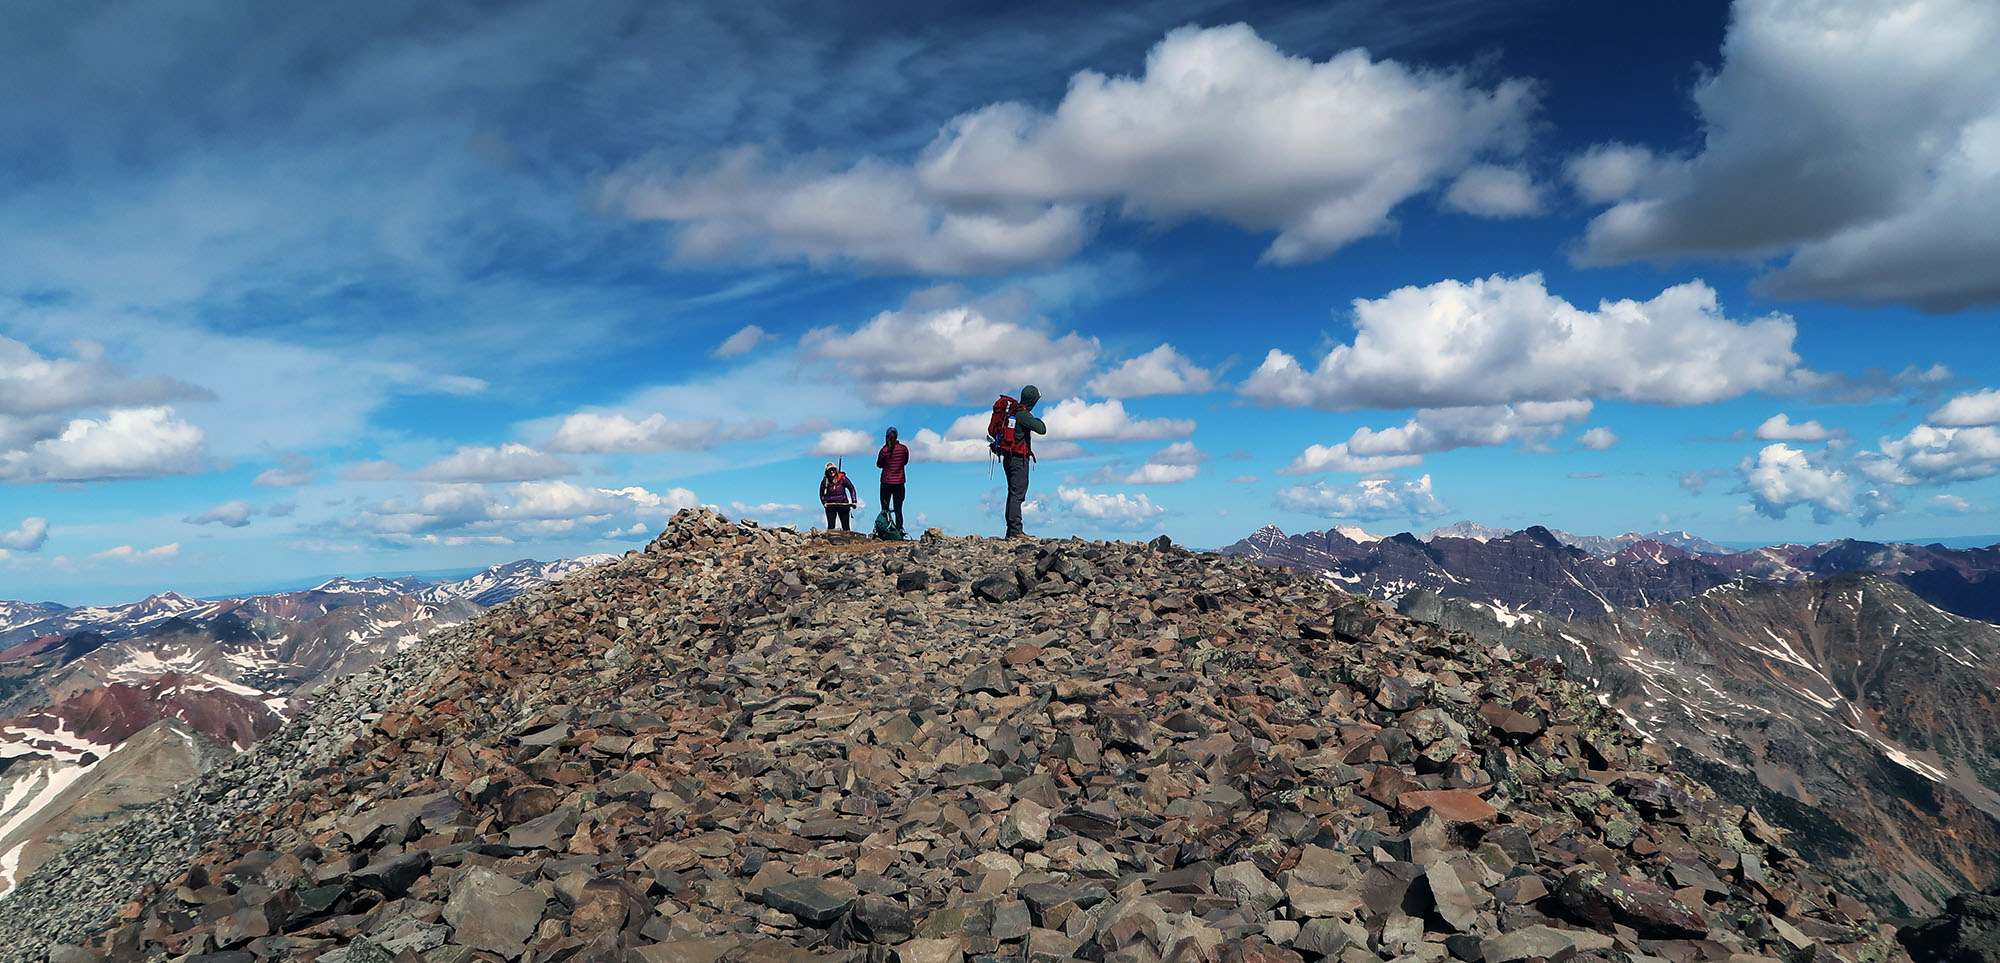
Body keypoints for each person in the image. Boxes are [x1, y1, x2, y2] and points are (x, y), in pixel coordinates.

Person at [997, 384, 1046, 538]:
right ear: (1032, 400)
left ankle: (1012, 531)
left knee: (1013, 493)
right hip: (1018, 460)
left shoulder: (1013, 412)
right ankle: (1015, 531)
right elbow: (1041, 429)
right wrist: (1035, 419)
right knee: (1017, 494)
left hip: (1009, 458)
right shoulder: (1023, 415)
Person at [876, 426, 909, 534]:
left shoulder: (884, 450)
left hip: (886, 482)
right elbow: (905, 462)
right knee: (898, 508)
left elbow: (879, 464)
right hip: (899, 482)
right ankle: (899, 530)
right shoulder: (904, 449)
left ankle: (885, 530)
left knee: (885, 509)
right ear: (897, 436)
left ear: (886, 437)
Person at [819, 462, 857, 531]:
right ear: (827, 472)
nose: (831, 471)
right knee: (831, 527)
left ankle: (847, 541)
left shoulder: (843, 478)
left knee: (846, 527)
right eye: (829, 470)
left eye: (833, 469)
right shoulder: (825, 481)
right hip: (830, 505)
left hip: (843, 504)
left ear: (835, 470)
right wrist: (824, 502)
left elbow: (852, 488)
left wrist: (854, 501)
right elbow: (821, 493)